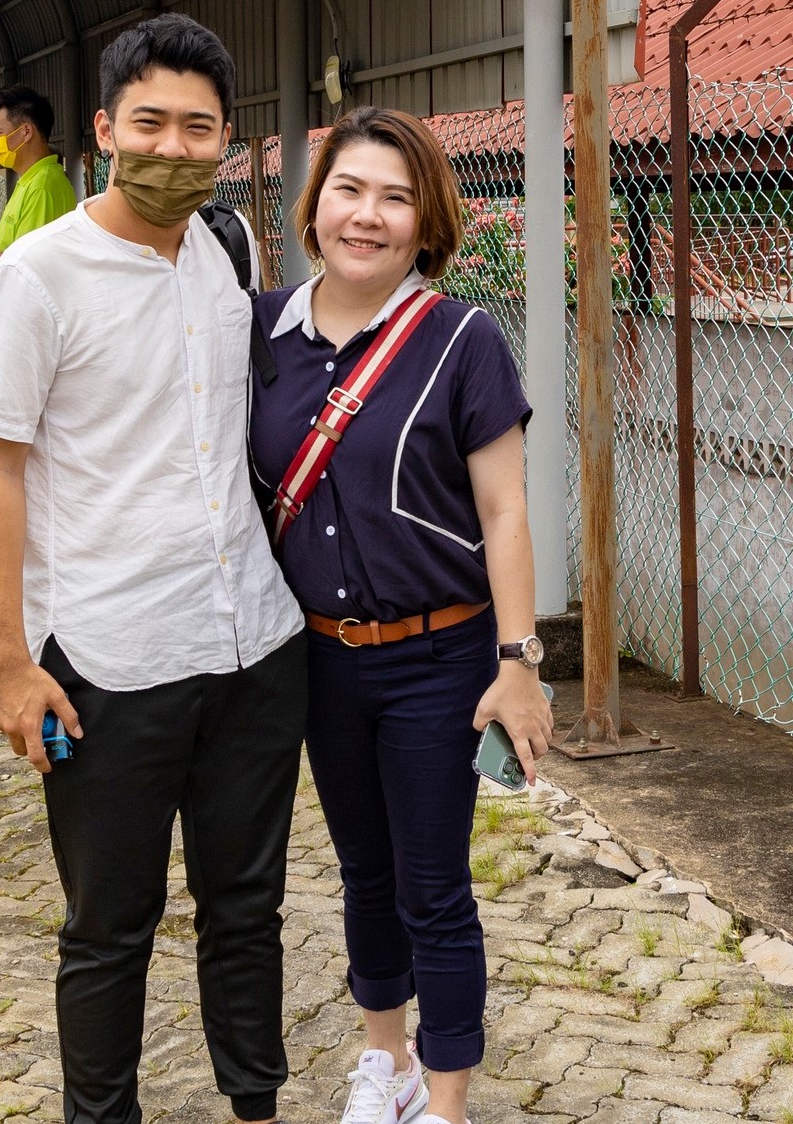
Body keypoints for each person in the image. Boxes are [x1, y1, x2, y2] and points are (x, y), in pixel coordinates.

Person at [0, 13, 306, 1124]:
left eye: (197, 129)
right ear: (105, 128)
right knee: (107, 928)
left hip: (252, 645)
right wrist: (8, 662)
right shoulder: (37, 276)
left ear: (226, 143)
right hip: (109, 662)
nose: (172, 149)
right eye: (148, 123)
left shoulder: (222, 254)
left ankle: (253, 1103)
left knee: (247, 907)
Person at [248, 107, 549, 1124]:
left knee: (432, 883)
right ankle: (383, 1064)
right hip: (319, 663)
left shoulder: (462, 340)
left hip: (439, 658)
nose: (364, 216)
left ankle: (447, 1096)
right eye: (347, 190)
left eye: (392, 197)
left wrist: (517, 659)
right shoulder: (261, 335)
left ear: (425, 222)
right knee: (362, 873)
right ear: (313, 205)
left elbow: (503, 510)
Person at [0, 83, 78, 271]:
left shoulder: (43, 187)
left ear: (26, 132)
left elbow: (23, 264)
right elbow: (10, 251)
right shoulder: (29, 180)